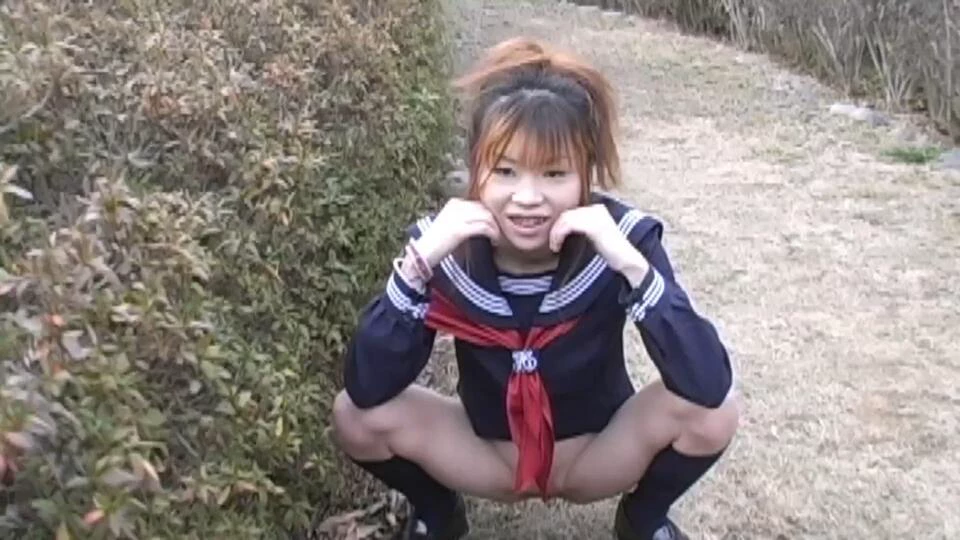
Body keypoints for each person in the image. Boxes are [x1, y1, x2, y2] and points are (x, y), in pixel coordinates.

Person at [331, 36, 740, 540]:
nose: (527, 197)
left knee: (715, 412)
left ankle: (643, 519)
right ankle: (438, 513)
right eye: (505, 171)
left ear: (586, 174)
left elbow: (707, 382)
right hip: (488, 453)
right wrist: (416, 268)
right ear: (476, 168)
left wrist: (632, 268)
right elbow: (367, 388)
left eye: (554, 173)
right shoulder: (447, 246)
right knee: (353, 416)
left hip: (597, 451)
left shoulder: (622, 238)